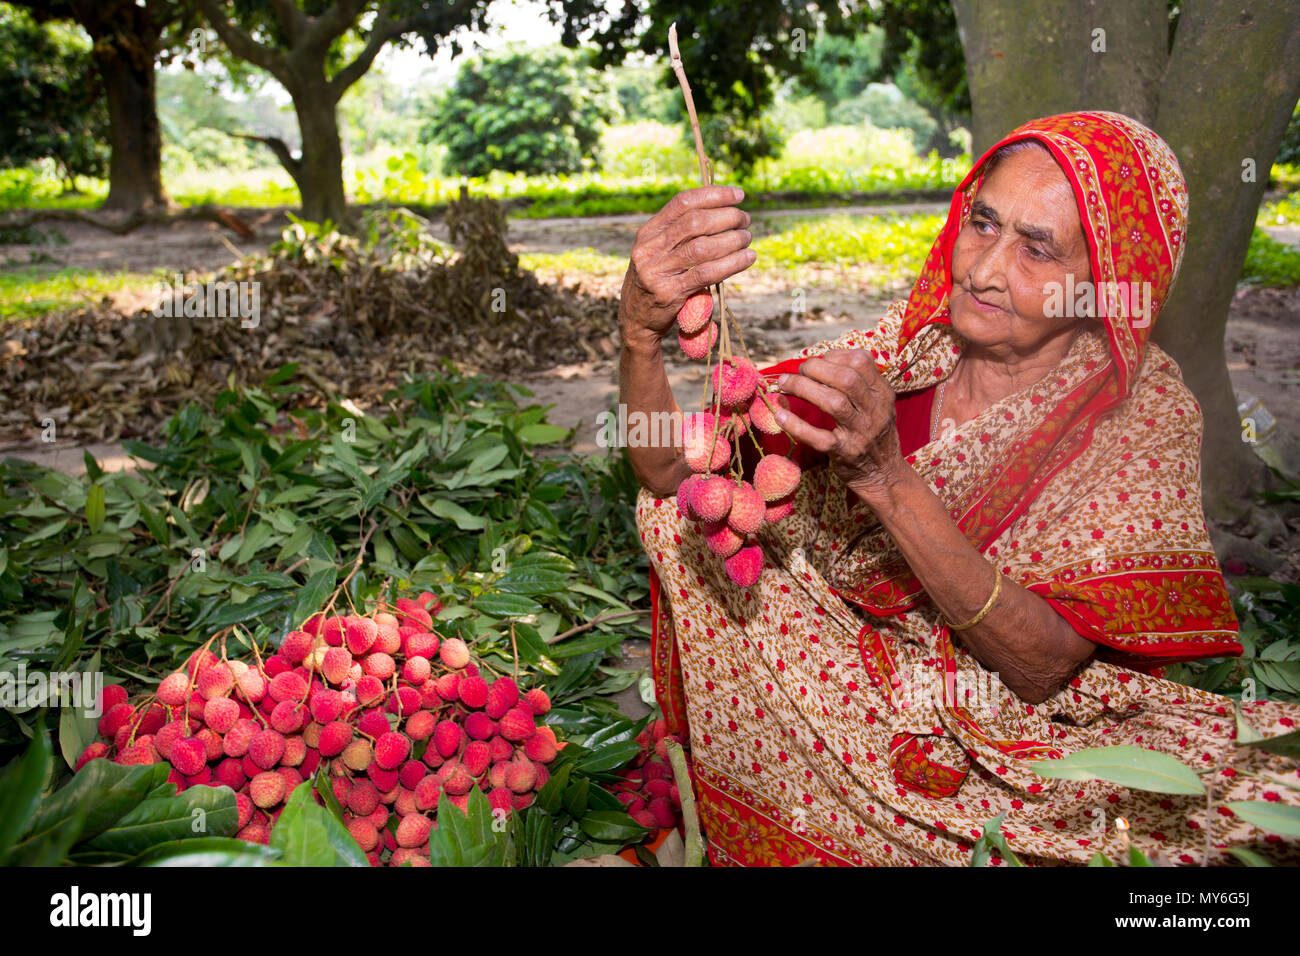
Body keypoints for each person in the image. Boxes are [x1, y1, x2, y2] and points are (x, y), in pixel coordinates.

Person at [617, 110, 1300, 866]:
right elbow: (667, 476)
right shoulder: (910, 351)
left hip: (1023, 722)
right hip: (848, 678)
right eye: (982, 222)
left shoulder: (1143, 416)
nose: (981, 269)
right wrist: (638, 337)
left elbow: (1043, 667)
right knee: (682, 532)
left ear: (1107, 281)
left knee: (1239, 815)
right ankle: (811, 806)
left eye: (1036, 248)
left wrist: (886, 478)